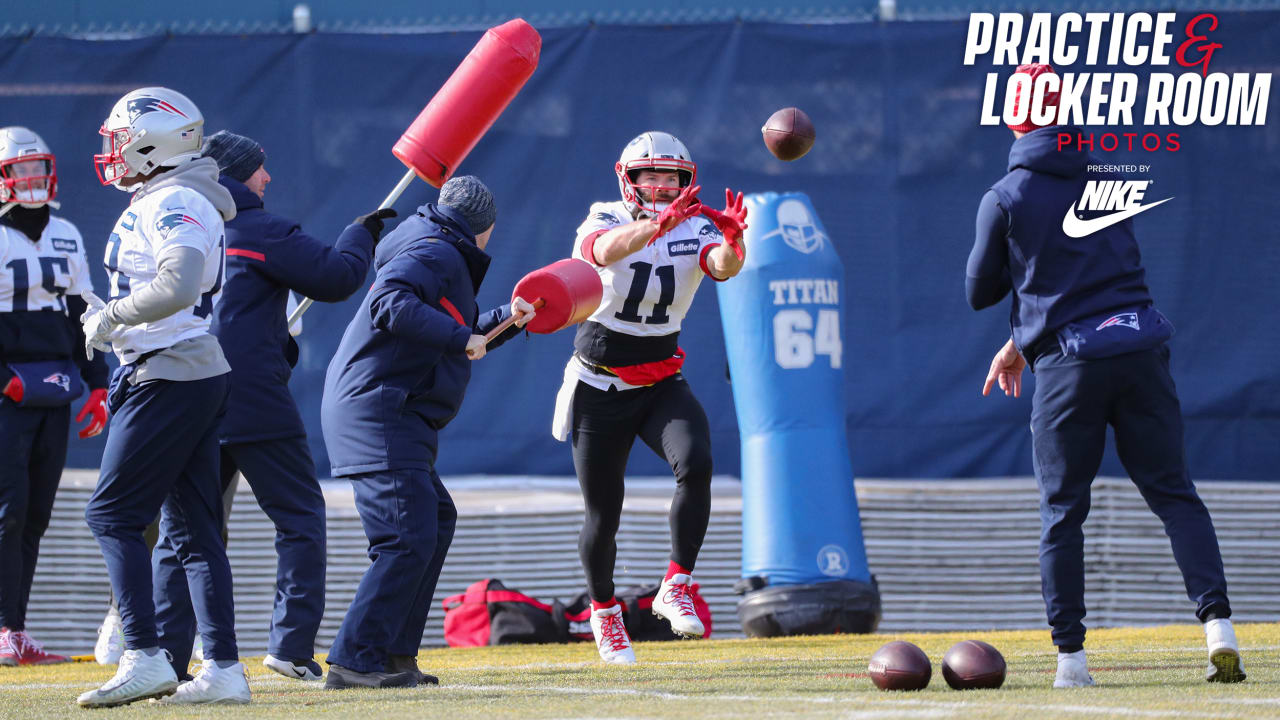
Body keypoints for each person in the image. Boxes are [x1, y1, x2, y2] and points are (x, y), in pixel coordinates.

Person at [967, 64, 1244, 688]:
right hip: (1141, 350)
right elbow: (1094, 279)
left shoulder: (1004, 195)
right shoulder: (1108, 177)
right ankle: (1219, 629)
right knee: (1176, 495)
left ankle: (1072, 661)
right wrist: (1021, 338)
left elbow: (978, 291)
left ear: (1015, 117)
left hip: (1070, 367)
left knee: (1063, 511)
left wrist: (1022, 321)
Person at [129, 130, 389, 683]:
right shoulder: (260, 231)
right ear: (234, 177)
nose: (267, 178)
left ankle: (167, 661)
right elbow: (339, 277)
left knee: (185, 537)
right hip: (251, 400)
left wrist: (276, 340)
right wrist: (360, 234)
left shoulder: (173, 230)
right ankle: (291, 645)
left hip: (184, 395)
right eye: (258, 169)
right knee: (299, 517)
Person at [320, 175, 535, 689]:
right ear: (484, 228)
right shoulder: (437, 252)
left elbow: (453, 327)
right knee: (406, 536)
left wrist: (512, 318)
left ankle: (394, 655)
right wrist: (463, 337)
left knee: (433, 520)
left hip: (392, 411)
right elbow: (390, 304)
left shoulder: (436, 248)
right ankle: (355, 661)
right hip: (379, 411)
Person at [77, 87, 250, 707]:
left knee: (112, 514)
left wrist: (112, 318)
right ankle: (224, 669)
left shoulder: (176, 197)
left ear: (154, 142)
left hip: (170, 370)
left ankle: (145, 654)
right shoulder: (170, 195)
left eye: (121, 139)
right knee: (194, 528)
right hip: (183, 367)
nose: (114, 152)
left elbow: (176, 286)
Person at [552, 131, 747, 664]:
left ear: (686, 180)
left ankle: (676, 583)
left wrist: (733, 242)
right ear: (629, 178)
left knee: (698, 460)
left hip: (660, 379)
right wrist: (658, 225)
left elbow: (723, 267)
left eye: (671, 177)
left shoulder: (697, 221)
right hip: (598, 382)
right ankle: (604, 614)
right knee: (603, 514)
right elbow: (601, 252)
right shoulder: (603, 216)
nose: (661, 186)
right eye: (650, 176)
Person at [0, 127, 109, 666]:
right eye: (18, 170)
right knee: (8, 510)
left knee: (35, 513)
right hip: (7, 393)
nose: (30, 179)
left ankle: (14, 631)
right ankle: (2, 627)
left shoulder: (66, 232)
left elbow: (81, 314)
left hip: (53, 390)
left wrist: (98, 383)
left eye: (36, 167)